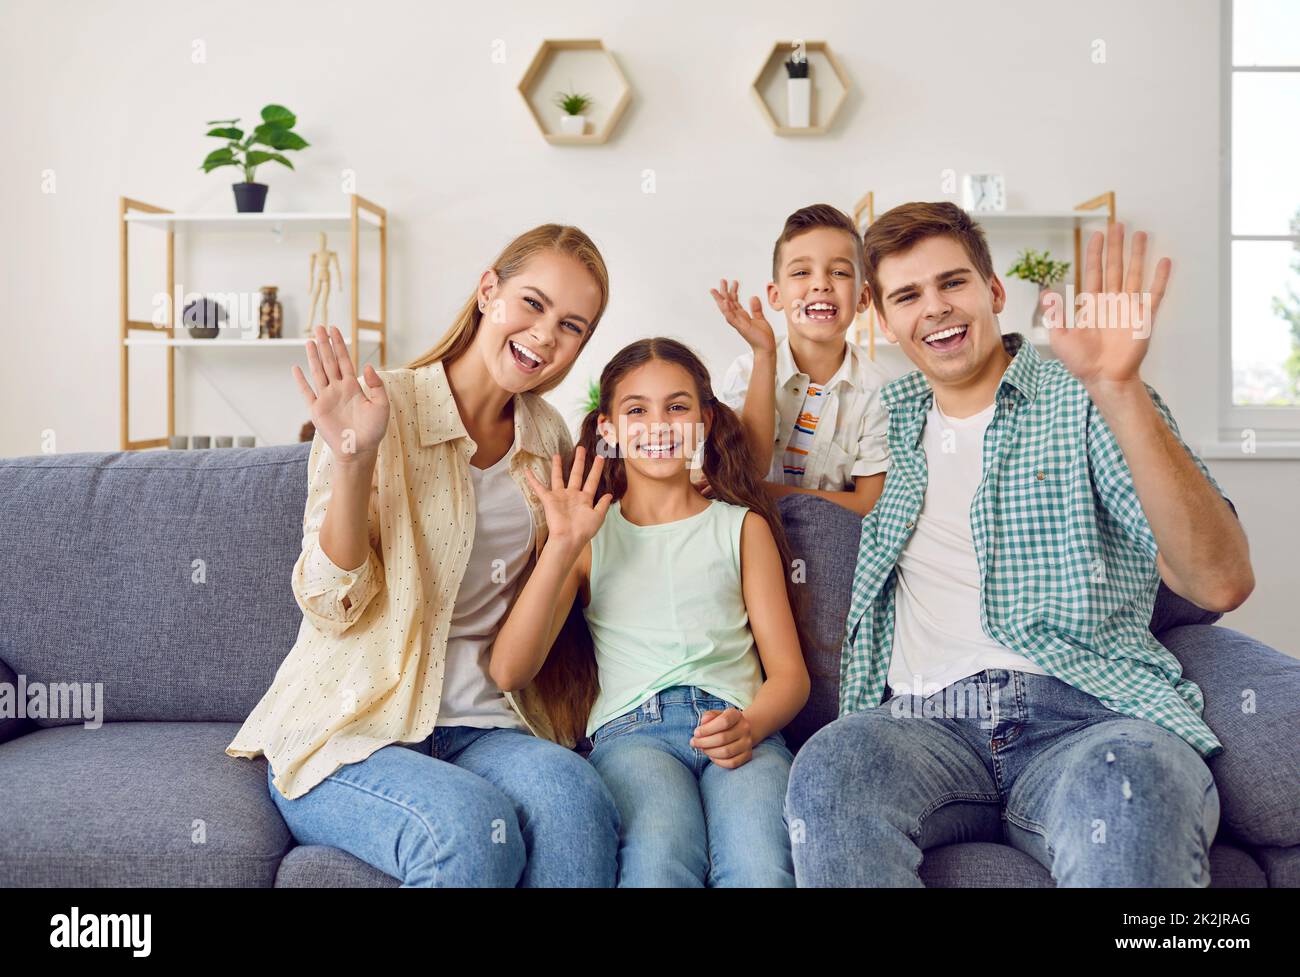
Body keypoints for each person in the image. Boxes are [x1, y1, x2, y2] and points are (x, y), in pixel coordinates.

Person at [784, 202, 1254, 887]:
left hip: (1090, 717)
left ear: (994, 292)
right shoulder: (889, 417)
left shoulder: (1088, 398)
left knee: (1131, 792)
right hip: (925, 723)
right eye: (908, 295)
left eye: (953, 283)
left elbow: (1219, 582)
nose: (936, 309)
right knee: (830, 771)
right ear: (883, 321)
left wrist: (1119, 389)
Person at [226, 225, 621, 887]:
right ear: (487, 291)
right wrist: (354, 462)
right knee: (466, 830)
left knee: (577, 801)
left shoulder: (547, 436)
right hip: (356, 728)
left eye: (572, 324)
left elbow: (526, 635)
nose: (546, 334)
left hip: (486, 723)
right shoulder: (379, 406)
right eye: (532, 302)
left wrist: (566, 547)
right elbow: (330, 602)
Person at [490, 337, 811, 886]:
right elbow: (509, 672)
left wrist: (751, 725)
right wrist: (563, 544)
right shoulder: (589, 537)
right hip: (633, 736)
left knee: (762, 865)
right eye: (636, 410)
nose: (659, 424)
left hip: (739, 724)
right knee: (658, 862)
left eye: (678, 407)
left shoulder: (741, 527)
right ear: (608, 430)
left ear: (705, 420)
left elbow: (790, 677)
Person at [710, 204, 892, 516]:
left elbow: (867, 504)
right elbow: (751, 466)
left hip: (832, 542)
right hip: (755, 538)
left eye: (839, 272)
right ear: (776, 295)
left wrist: (765, 494)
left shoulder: (879, 391)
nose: (821, 284)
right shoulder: (746, 370)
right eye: (801, 272)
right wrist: (764, 355)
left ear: (863, 298)